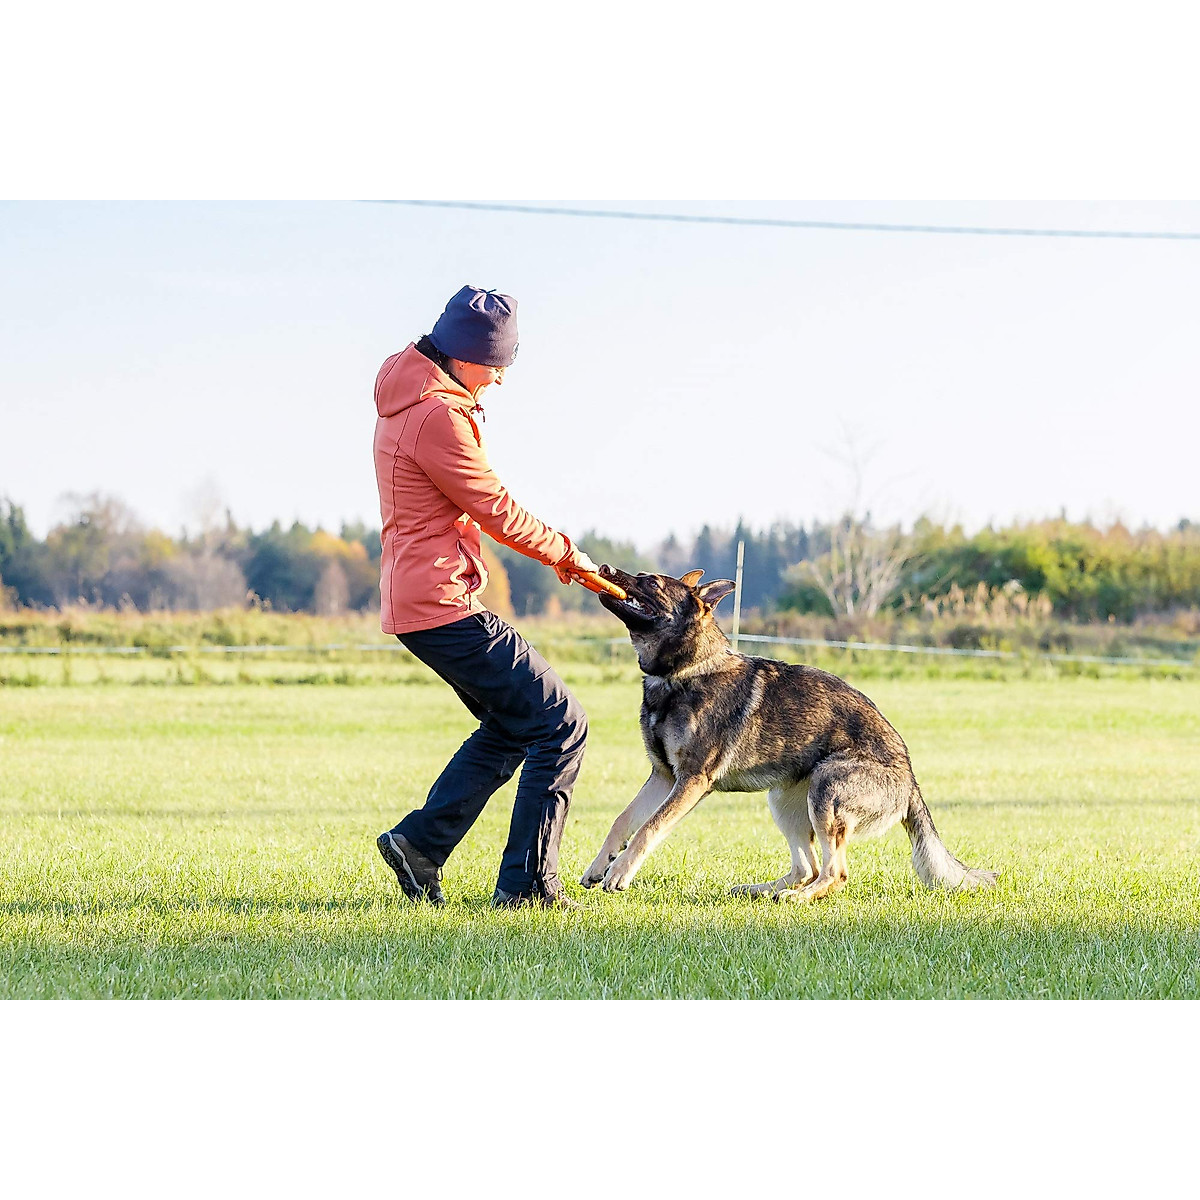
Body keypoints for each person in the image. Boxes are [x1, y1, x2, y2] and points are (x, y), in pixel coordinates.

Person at [372, 285, 598, 909]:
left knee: (513, 724)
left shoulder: (416, 398)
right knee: (561, 722)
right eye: (499, 364)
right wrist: (568, 557)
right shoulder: (435, 416)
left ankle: (421, 845)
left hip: (423, 600)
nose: (501, 379)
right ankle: (525, 885)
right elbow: (495, 508)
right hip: (442, 602)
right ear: (470, 355)